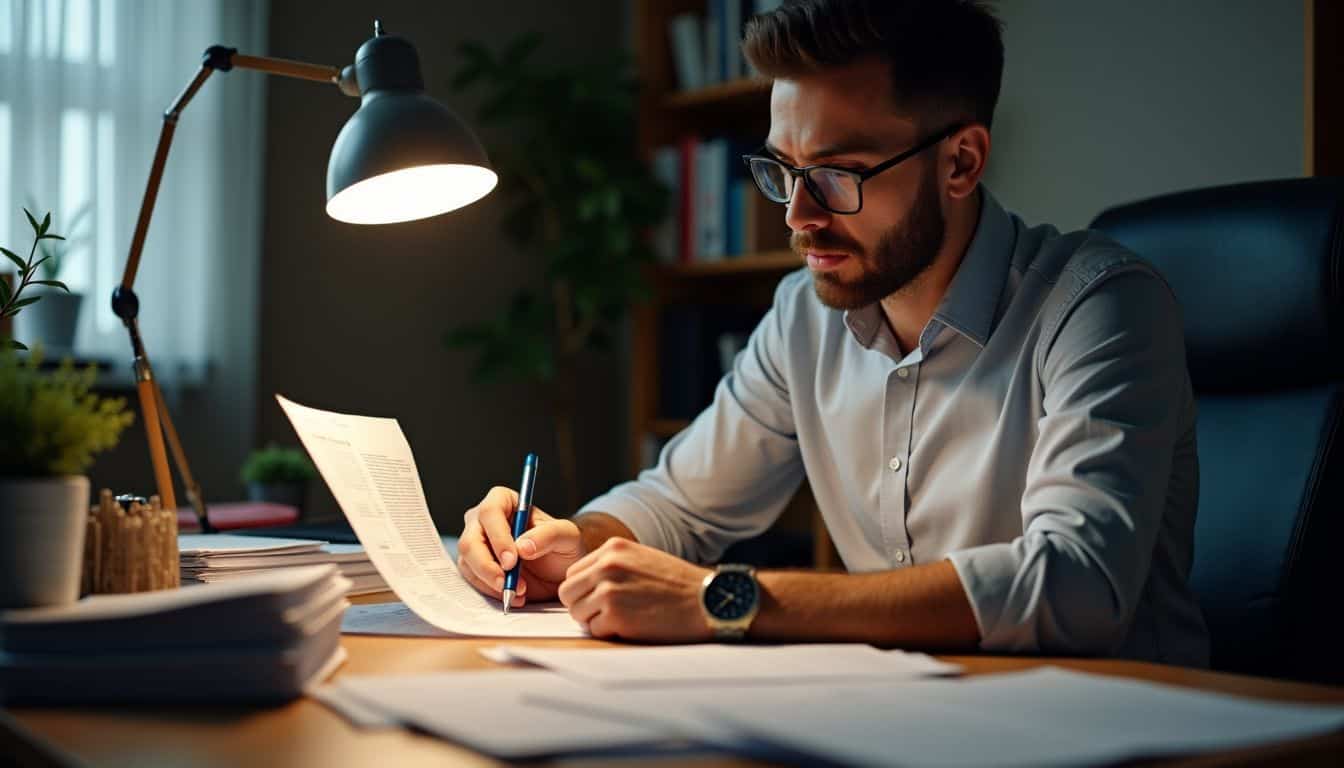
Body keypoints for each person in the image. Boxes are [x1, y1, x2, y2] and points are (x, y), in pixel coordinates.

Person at [456, 0, 1209, 665]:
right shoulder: (804, 317)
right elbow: (681, 505)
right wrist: (570, 544)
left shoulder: (1101, 307)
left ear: (962, 161)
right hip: (911, 722)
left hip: (1127, 730)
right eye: (783, 170)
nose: (796, 215)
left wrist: (727, 600)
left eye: (837, 174)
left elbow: (1075, 584)